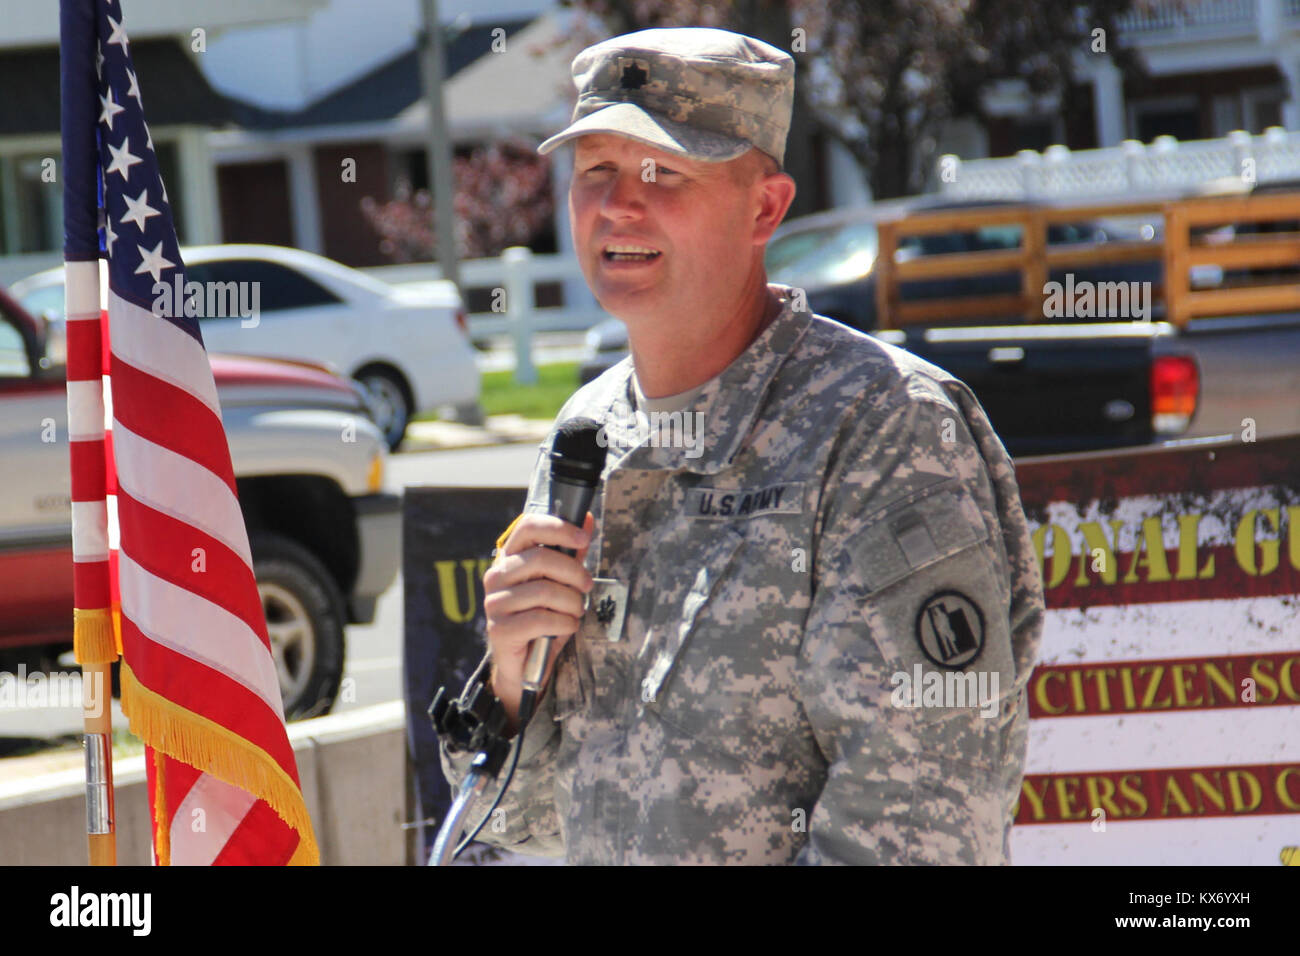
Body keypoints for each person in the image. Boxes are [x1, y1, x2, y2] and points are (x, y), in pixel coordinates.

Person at [438, 26, 1044, 864]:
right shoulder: (588, 436)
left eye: (664, 173)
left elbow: (920, 824)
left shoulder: (883, 428)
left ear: (765, 207)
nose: (619, 203)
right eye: (596, 172)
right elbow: (527, 826)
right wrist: (512, 684)